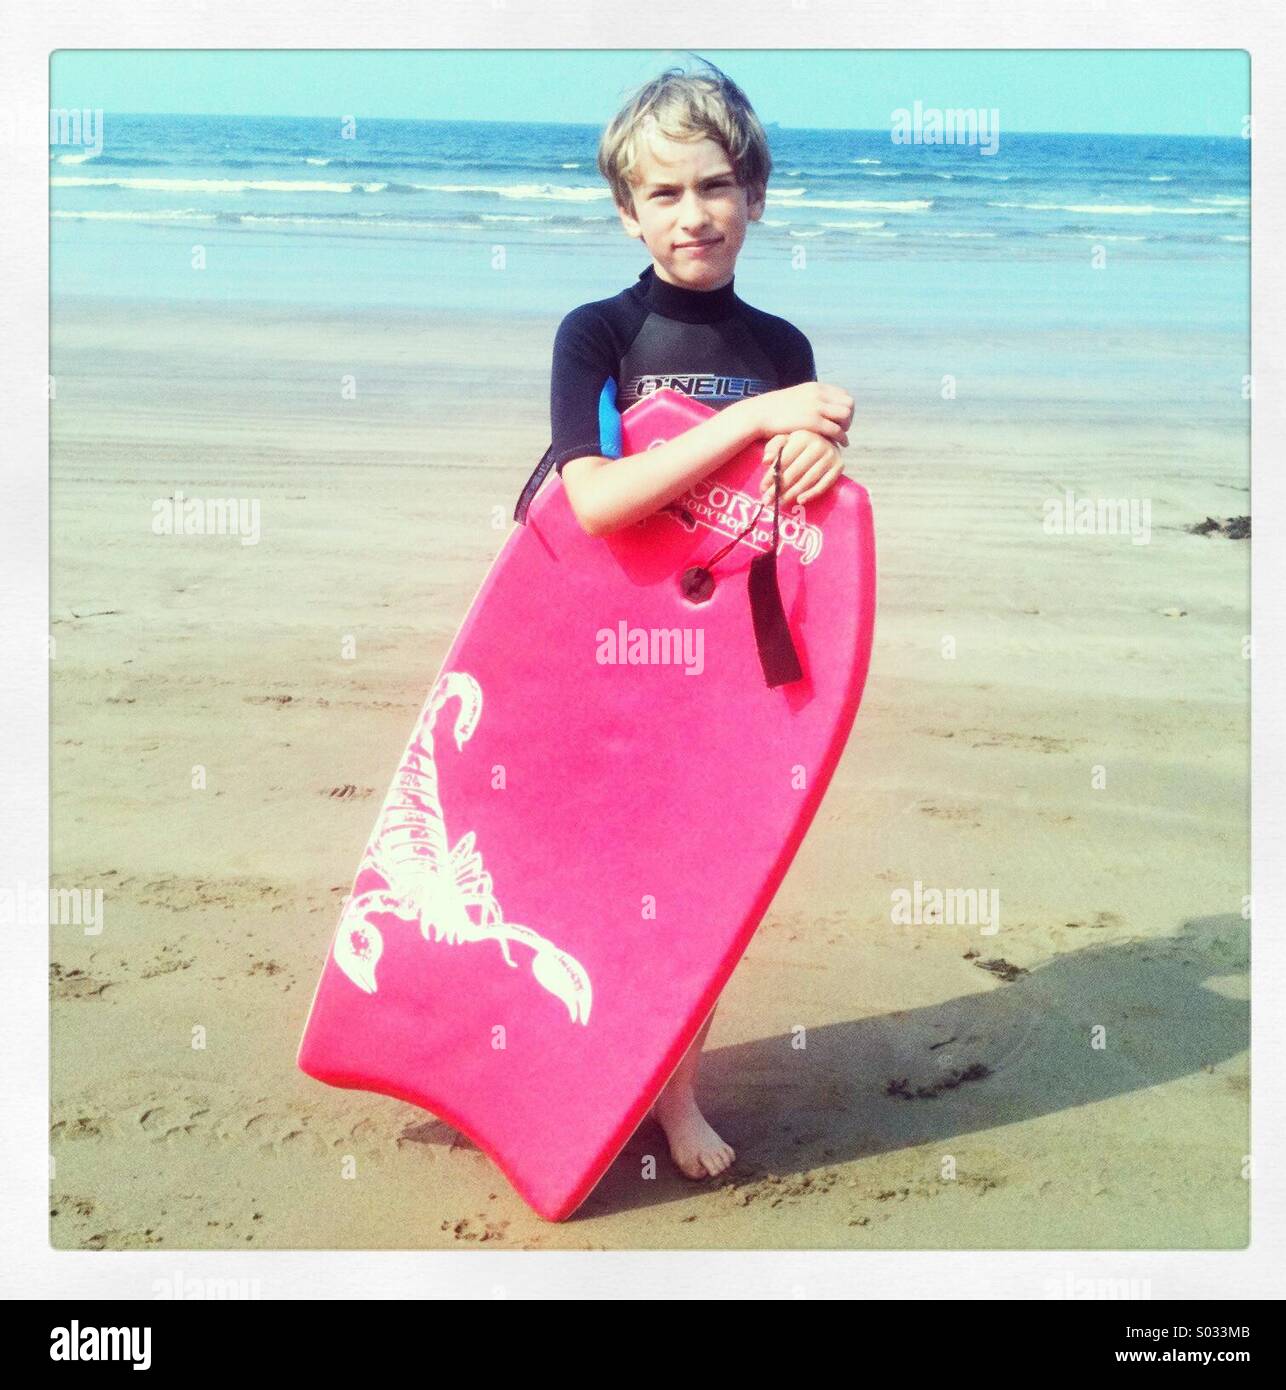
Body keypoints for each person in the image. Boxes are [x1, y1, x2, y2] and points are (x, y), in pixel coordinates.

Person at [537, 60, 856, 1181]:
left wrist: (814, 458)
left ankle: (673, 1098)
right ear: (627, 210)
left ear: (755, 195)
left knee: (700, 885)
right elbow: (594, 500)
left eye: (714, 186)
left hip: (720, 661)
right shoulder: (598, 336)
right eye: (663, 195)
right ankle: (578, 1072)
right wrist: (764, 419)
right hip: (599, 648)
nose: (693, 215)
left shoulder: (781, 348)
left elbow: (790, 528)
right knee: (583, 877)